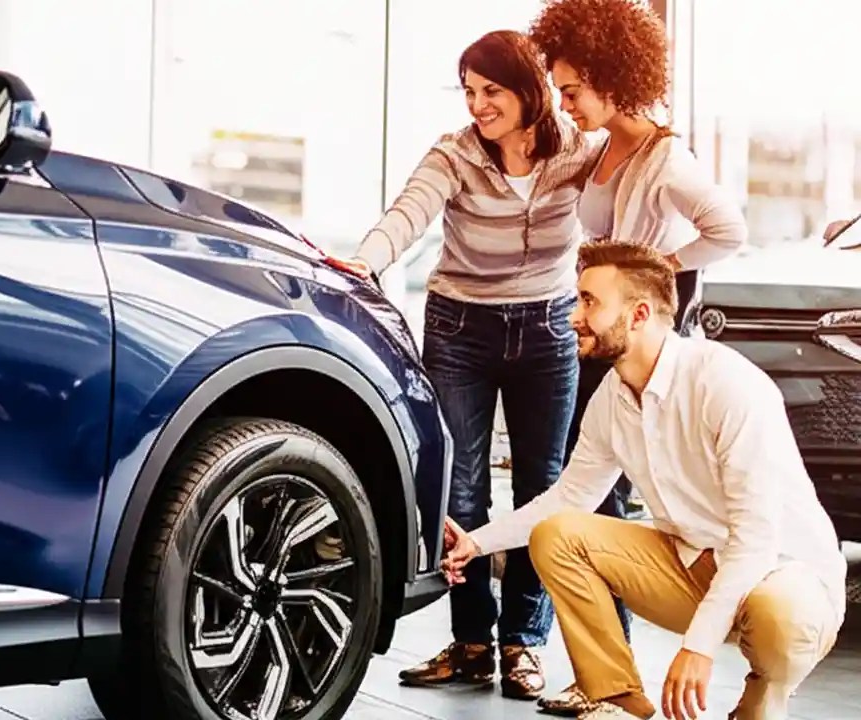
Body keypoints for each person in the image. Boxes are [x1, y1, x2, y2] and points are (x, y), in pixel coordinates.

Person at [440, 241, 847, 720]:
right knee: (560, 535)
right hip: (693, 564)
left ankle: (760, 700)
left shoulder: (726, 383)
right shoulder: (613, 397)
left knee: (781, 619)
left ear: (638, 314)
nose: (574, 316)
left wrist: (697, 648)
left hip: (785, 575)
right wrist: (477, 543)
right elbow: (570, 496)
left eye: (590, 301)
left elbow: (755, 539)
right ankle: (617, 700)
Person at [336, 29, 600, 700]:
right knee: (462, 486)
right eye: (471, 92)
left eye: (492, 92)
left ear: (528, 90)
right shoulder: (455, 153)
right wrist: (369, 257)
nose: (478, 106)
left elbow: (630, 183)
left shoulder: (576, 151)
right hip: (461, 326)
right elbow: (409, 213)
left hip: (549, 328)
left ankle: (523, 645)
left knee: (544, 482)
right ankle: (473, 642)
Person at [526, 3, 749, 710]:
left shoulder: (666, 156)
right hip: (598, 335)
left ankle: (606, 681)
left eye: (572, 91)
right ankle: (602, 674)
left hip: (634, 339)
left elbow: (729, 229)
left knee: (601, 497)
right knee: (588, 490)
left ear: (613, 80)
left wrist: (658, 265)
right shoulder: (601, 150)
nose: (566, 104)